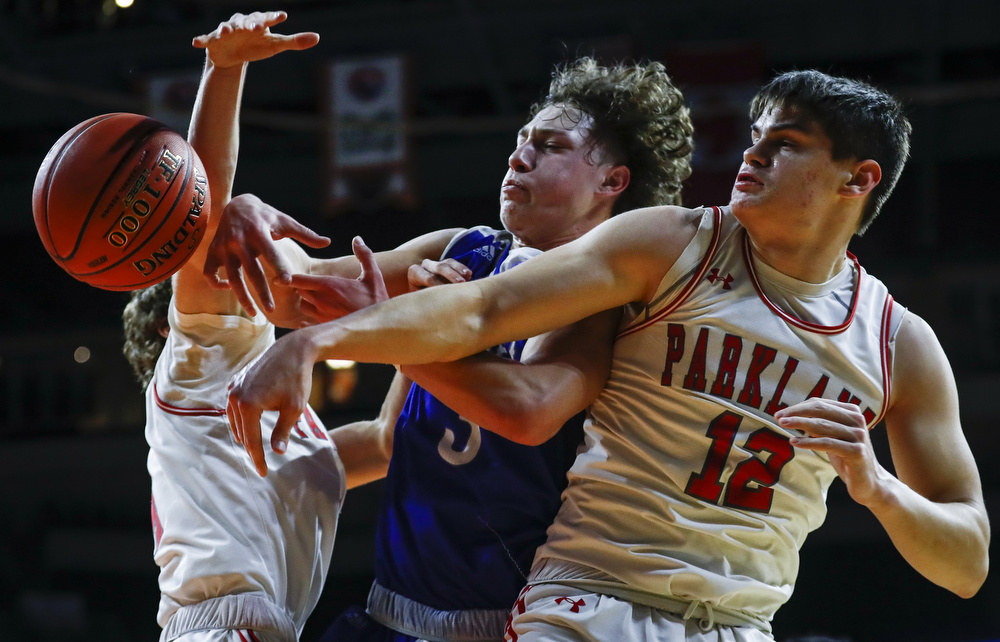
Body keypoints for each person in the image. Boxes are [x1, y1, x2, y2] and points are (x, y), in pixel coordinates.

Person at [225, 69, 990, 641]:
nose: (751, 156)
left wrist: (876, 485)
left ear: (859, 180)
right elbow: (482, 309)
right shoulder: (675, 242)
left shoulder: (898, 344)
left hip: (738, 623)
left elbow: (967, 564)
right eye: (753, 137)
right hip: (591, 600)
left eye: (783, 146)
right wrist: (317, 339)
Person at [207, 57, 694, 641]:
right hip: (390, 609)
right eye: (520, 142)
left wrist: (393, 328)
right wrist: (241, 213)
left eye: (550, 145)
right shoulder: (464, 248)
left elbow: (528, 409)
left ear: (612, 182)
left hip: (508, 621)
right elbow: (296, 293)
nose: (518, 158)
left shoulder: (606, 302)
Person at [121, 12, 354, 641]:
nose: (236, 265)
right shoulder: (196, 366)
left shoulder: (276, 426)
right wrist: (223, 71)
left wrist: (423, 314)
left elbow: (389, 442)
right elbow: (199, 218)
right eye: (222, 277)